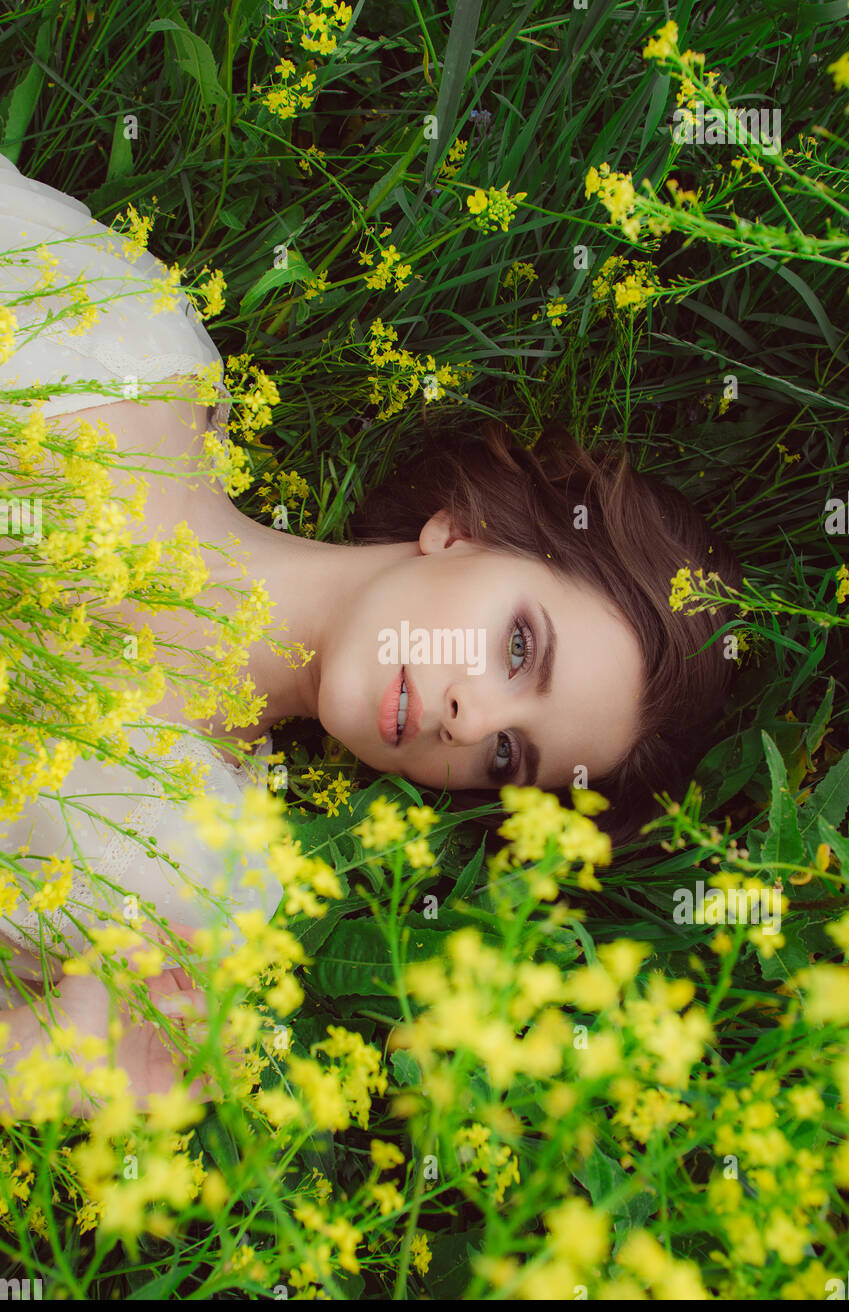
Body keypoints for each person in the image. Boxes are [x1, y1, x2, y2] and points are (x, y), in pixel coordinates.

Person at [0, 153, 742, 1112]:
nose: (471, 721)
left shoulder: (193, 878)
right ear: (461, 529)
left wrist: (34, 1063)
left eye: (511, 756)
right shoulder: (123, 355)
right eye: (519, 647)